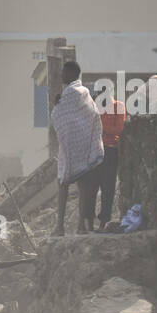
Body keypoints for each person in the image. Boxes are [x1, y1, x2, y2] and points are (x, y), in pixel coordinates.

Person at [50, 60, 105, 235]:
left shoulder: (73, 92)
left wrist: (57, 106)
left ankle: (60, 227)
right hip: (82, 146)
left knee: (63, 184)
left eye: (65, 72)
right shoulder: (84, 93)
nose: (62, 75)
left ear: (73, 74)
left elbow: (60, 115)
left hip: (72, 147)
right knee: (83, 187)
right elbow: (92, 115)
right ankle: (80, 226)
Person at [97, 96, 127, 230]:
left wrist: (101, 128)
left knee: (108, 186)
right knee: (91, 187)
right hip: (95, 150)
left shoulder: (118, 106)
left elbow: (119, 129)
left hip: (110, 150)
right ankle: (89, 222)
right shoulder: (95, 106)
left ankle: (104, 219)